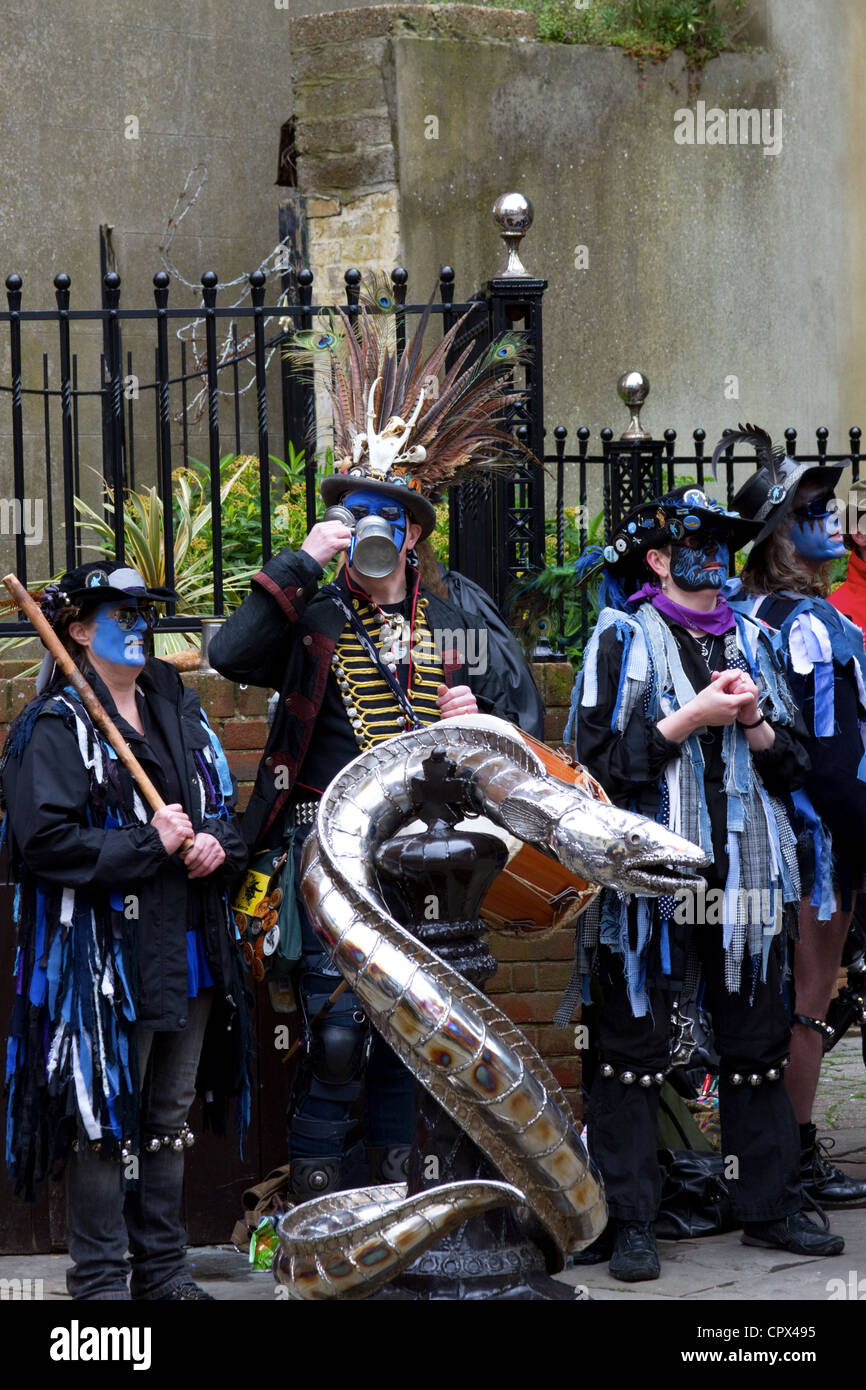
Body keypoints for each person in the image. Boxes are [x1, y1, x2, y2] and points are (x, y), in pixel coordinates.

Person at [209, 290, 540, 1201]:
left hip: (427, 857)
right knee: (342, 1034)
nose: (373, 534)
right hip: (330, 849)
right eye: (356, 516)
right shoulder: (311, 612)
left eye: (387, 518)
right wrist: (301, 560)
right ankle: (321, 1217)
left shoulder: (456, 614)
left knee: (412, 1031)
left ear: (419, 534)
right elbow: (227, 654)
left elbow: (527, 733)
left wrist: (475, 718)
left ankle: (403, 1212)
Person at [566, 485, 843, 1281]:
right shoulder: (621, 636)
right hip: (650, 876)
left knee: (756, 1039)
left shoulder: (751, 638)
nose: (717, 558)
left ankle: (768, 1206)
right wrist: (688, 720)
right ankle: (629, 1221)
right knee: (630, 1045)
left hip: (747, 868)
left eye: (726, 543)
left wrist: (754, 719)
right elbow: (595, 769)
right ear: (657, 559)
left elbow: (796, 768)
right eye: (698, 542)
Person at [0, 562, 251, 1300]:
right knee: (104, 1110)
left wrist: (212, 844)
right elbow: (42, 843)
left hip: (190, 944)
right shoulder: (52, 727)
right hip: (106, 952)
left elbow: (221, 816)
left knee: (168, 1114)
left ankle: (165, 1273)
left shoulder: (180, 708)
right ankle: (103, 1282)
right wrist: (152, 843)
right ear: (77, 630)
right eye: (119, 614)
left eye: (143, 613)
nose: (138, 626)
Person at [720, 425, 866, 1208]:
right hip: (815, 838)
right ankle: (794, 1159)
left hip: (766, 834)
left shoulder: (749, 610)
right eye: (814, 508)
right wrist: (853, 838)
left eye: (832, 503)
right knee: (808, 1000)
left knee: (780, 999)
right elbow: (837, 757)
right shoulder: (808, 622)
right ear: (781, 530)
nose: (832, 517)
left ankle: (772, 1158)